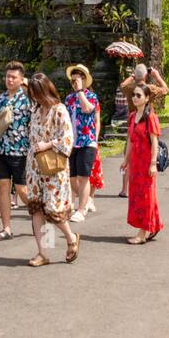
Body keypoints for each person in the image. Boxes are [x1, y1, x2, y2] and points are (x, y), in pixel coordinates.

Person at [23, 72, 79, 266]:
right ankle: (43, 252)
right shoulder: (36, 110)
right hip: (34, 166)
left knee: (53, 209)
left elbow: (68, 138)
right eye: (33, 94)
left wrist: (47, 145)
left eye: (37, 93)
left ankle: (71, 238)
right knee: (37, 208)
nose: (36, 98)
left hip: (54, 167)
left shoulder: (59, 110)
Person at [0, 61, 32, 242]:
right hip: (1, 150)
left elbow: (33, 126)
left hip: (21, 151)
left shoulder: (28, 100)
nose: (9, 80)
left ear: (21, 79)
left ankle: (43, 214)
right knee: (3, 188)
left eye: (13, 77)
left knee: (22, 190)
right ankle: (6, 228)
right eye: (7, 76)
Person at [122, 83, 163, 244]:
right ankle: (154, 225)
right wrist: (126, 160)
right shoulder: (132, 116)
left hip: (146, 163)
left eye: (139, 95)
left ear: (146, 98)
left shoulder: (150, 117)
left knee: (147, 196)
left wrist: (153, 163)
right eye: (134, 95)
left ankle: (142, 233)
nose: (135, 98)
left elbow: (155, 142)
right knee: (138, 195)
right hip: (135, 163)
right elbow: (130, 141)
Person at [65, 64, 99, 223]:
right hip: (71, 143)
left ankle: (81, 208)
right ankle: (84, 201)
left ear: (85, 80)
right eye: (72, 81)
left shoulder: (91, 96)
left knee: (83, 177)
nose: (74, 83)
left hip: (86, 141)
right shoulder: (68, 98)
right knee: (72, 178)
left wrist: (80, 92)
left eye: (77, 80)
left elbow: (87, 109)